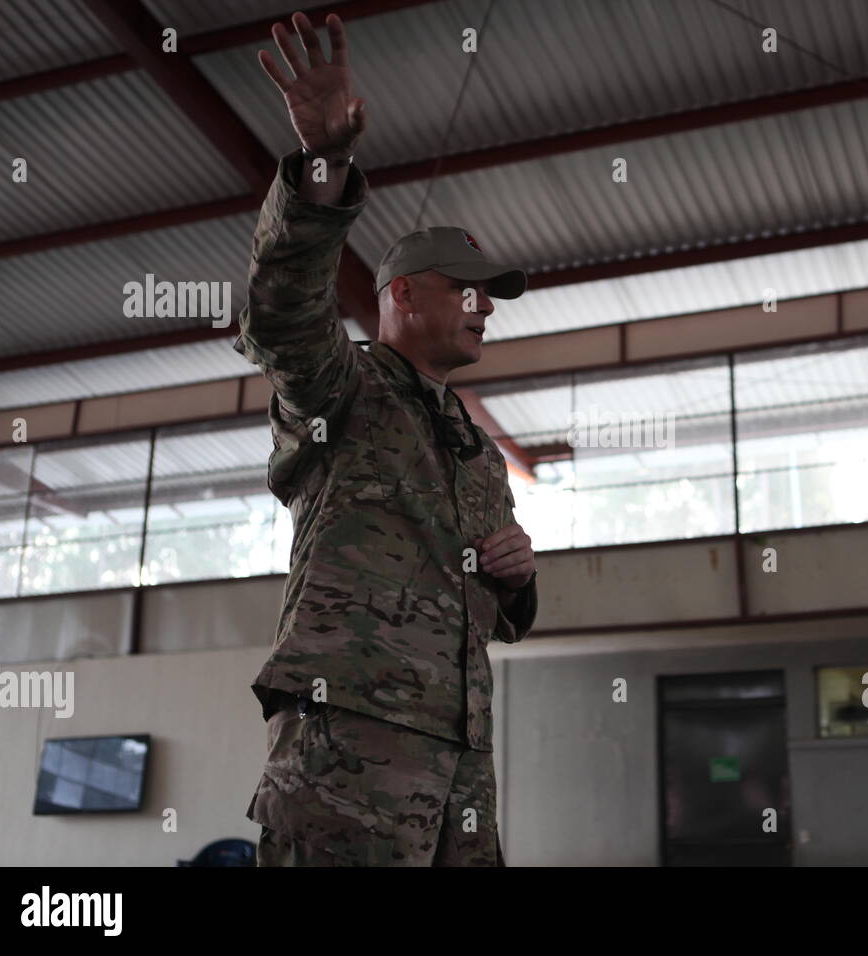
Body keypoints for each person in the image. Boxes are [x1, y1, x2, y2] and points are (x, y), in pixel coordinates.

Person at [234, 10, 538, 866]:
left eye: (491, 296)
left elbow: (492, 614)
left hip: (461, 766)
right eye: (466, 288)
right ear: (402, 296)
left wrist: (514, 577)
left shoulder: (474, 447)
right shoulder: (345, 386)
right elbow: (282, 311)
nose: (482, 306)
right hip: (348, 756)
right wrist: (324, 162)